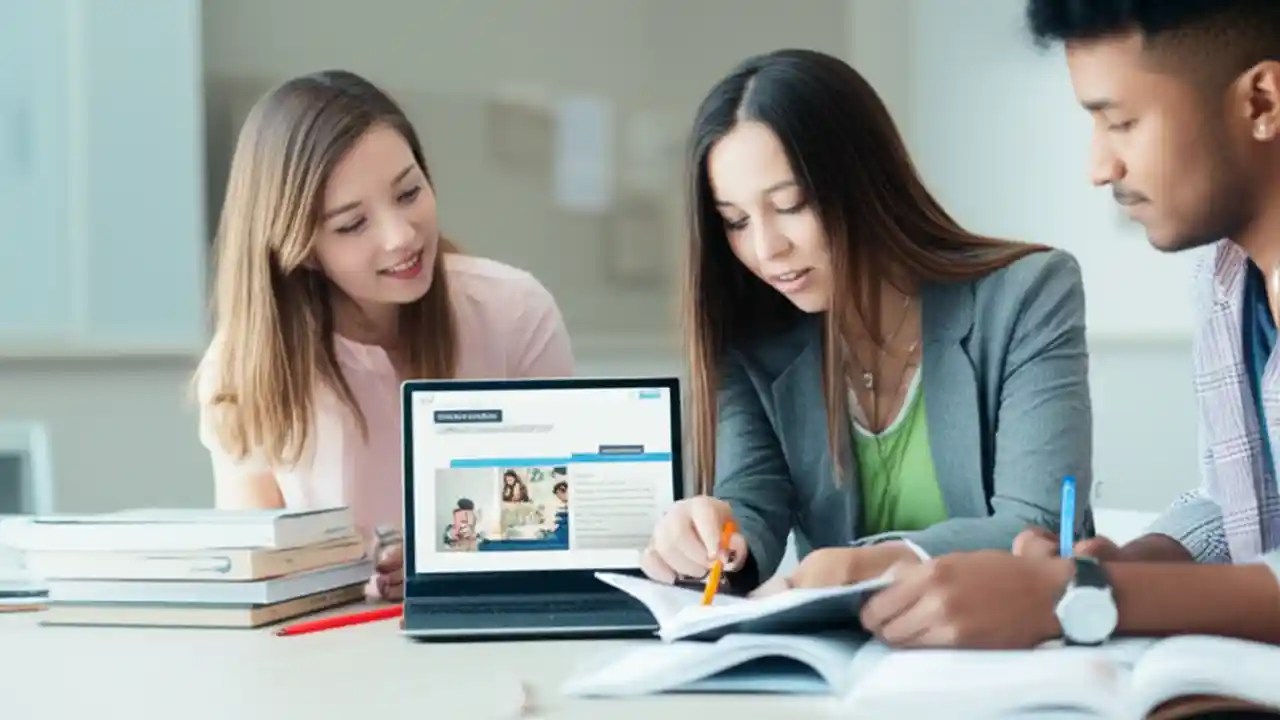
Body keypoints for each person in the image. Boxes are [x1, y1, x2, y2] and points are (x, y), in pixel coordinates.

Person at [831, 0, 1280, 650]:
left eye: (1121, 122)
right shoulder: (1224, 277)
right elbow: (1238, 506)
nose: (1100, 168)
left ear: (1262, 102)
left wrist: (1077, 597)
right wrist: (1124, 564)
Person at [639, 48, 1095, 593]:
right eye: (735, 221)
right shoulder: (751, 340)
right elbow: (751, 504)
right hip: (844, 663)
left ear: (866, 181)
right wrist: (710, 539)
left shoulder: (1029, 294)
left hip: (1007, 646)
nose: (766, 249)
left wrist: (870, 563)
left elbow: (1036, 529)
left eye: (790, 206)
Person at [195, 70, 574, 601]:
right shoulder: (244, 366)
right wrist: (342, 568)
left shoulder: (513, 312)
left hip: (490, 632)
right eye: (352, 225)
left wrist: (442, 551)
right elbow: (252, 574)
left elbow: (564, 514)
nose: (401, 237)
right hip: (325, 656)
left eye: (409, 192)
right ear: (298, 247)